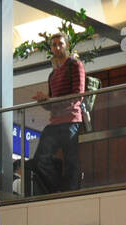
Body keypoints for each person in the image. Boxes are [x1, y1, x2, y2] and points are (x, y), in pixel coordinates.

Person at [30, 32, 85, 194]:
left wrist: (50, 100)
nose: (57, 47)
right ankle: (60, 189)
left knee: (71, 161)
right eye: (54, 45)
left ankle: (70, 192)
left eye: (60, 43)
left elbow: (78, 95)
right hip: (55, 122)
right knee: (40, 159)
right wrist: (44, 101)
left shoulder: (75, 65)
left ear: (66, 45)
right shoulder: (52, 74)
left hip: (71, 119)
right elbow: (52, 105)